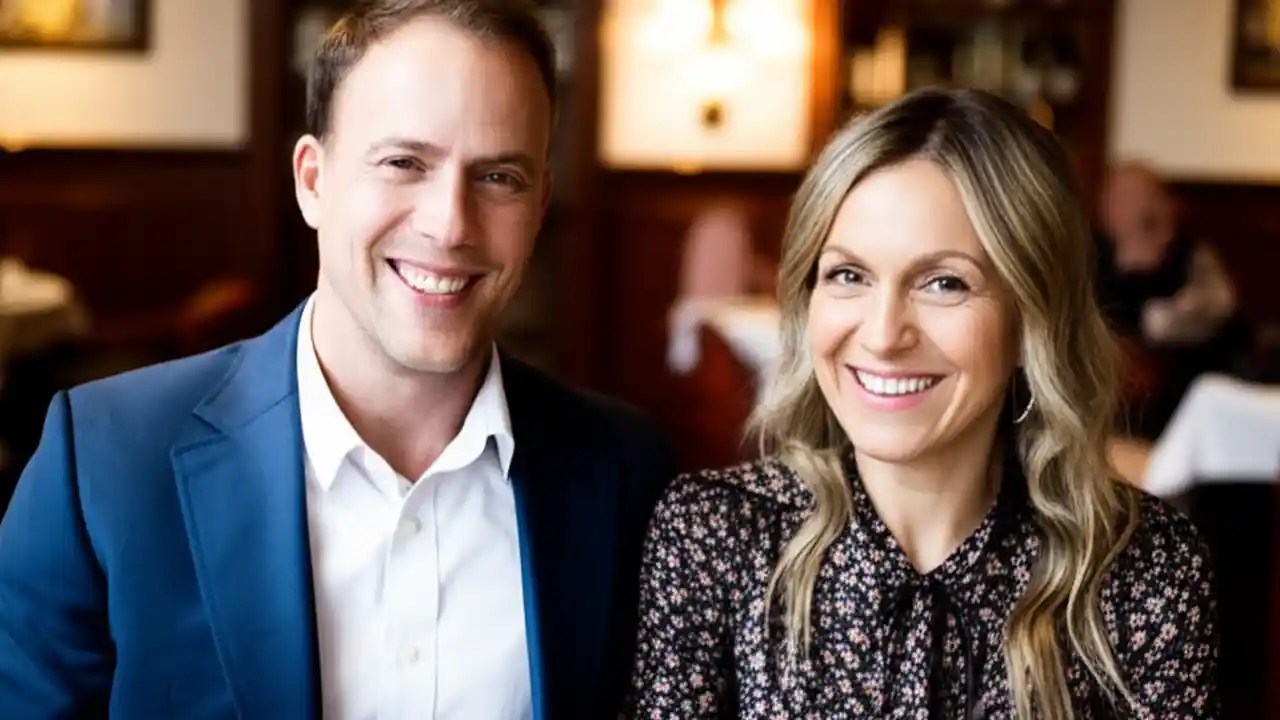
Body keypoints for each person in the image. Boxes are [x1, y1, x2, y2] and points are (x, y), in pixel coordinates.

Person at [0, 1, 673, 718]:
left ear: (539, 205)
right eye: (403, 162)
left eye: (498, 177)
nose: (449, 224)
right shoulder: (106, 461)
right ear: (313, 181)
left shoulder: (627, 472)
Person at [629, 89, 1217, 719]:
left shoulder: (1145, 567)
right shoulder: (714, 535)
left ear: (1031, 322)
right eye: (848, 275)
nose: (883, 335)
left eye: (944, 282)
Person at [1094, 161, 1250, 438]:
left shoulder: (1189, 253)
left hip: (1180, 394)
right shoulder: (1091, 253)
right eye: (1113, 197)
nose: (1116, 207)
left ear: (1157, 203)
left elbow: (1217, 311)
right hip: (1111, 393)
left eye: (1129, 198)